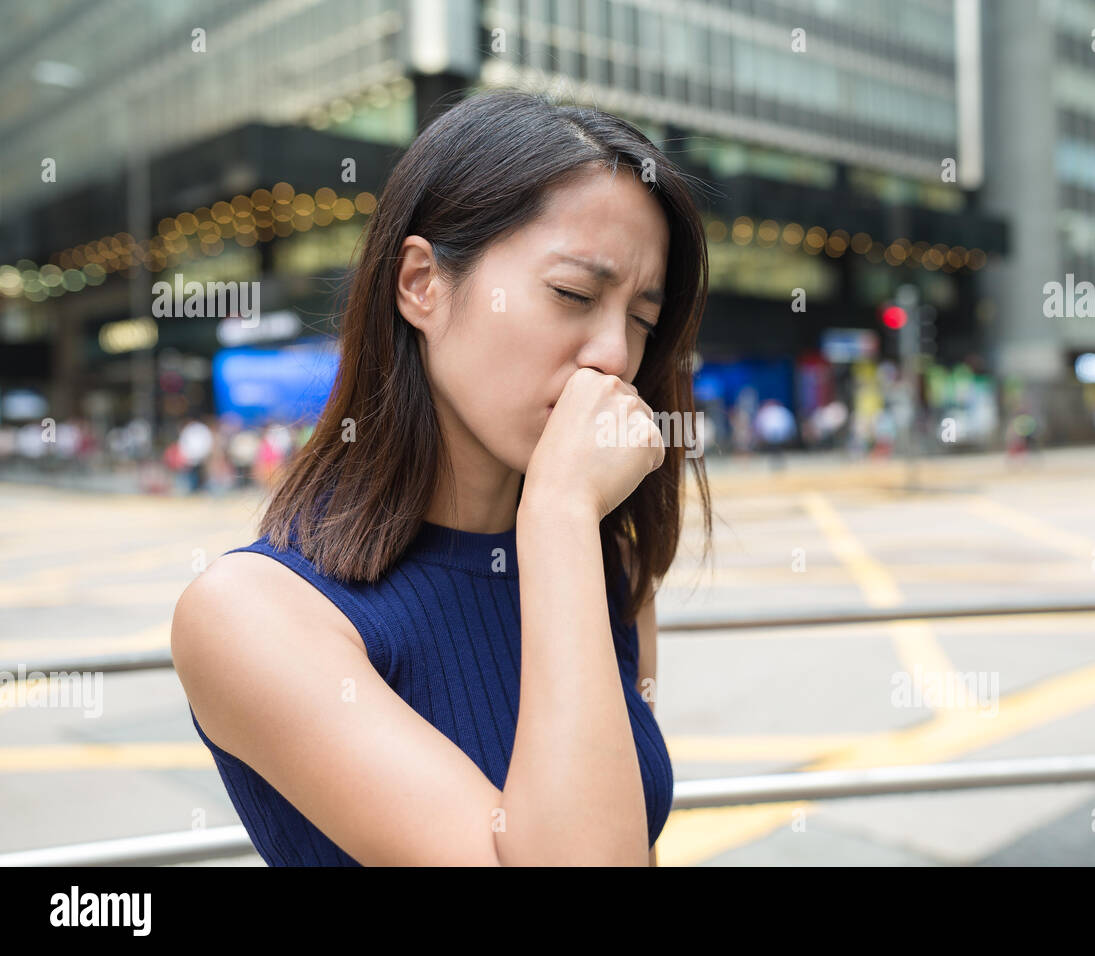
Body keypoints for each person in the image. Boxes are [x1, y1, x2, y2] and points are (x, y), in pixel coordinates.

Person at [170, 89, 713, 867]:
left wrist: (567, 531)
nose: (614, 357)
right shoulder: (252, 614)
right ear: (421, 283)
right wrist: (558, 512)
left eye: (642, 319)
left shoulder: (610, 567)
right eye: (573, 295)